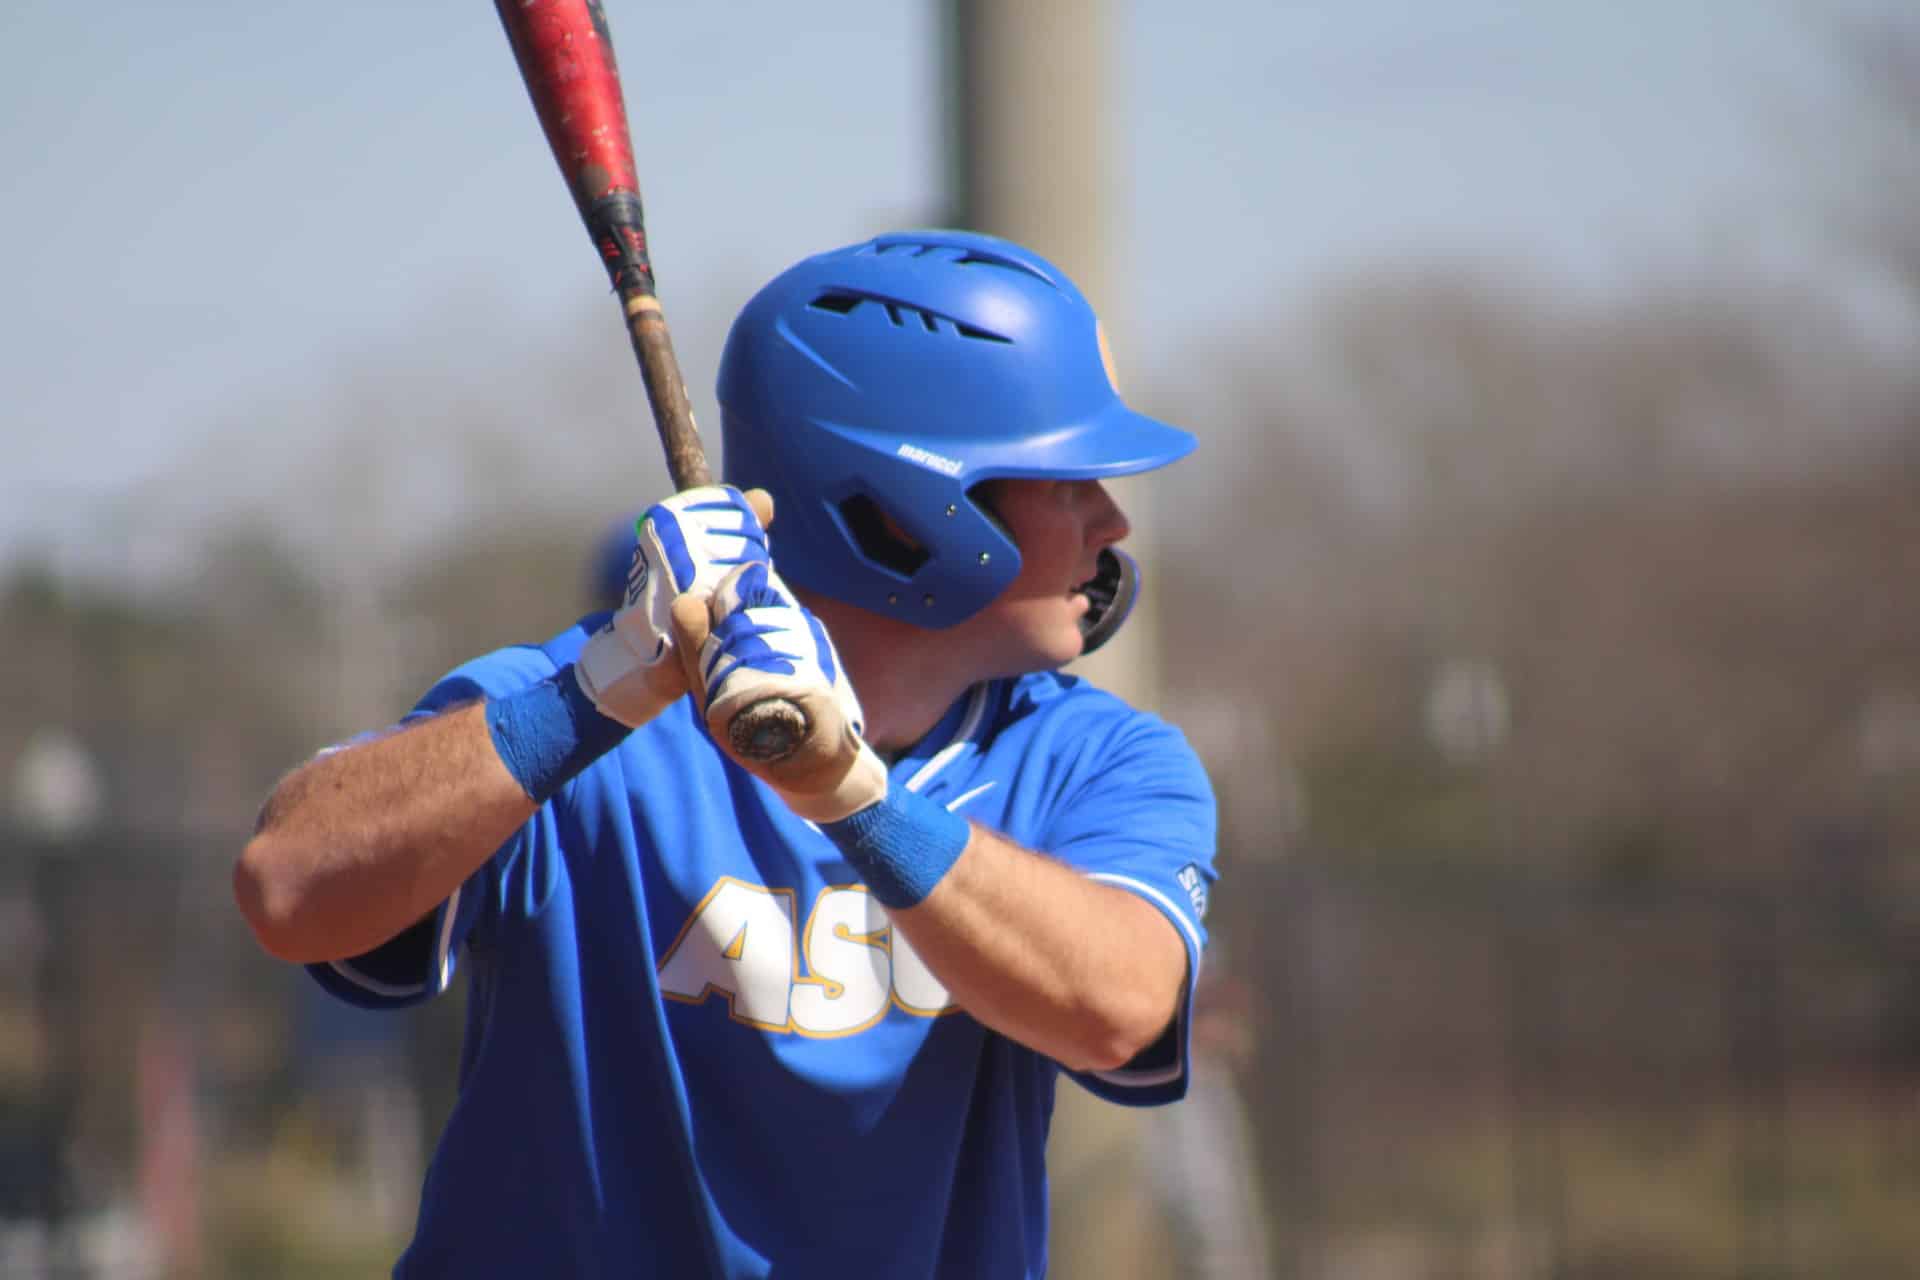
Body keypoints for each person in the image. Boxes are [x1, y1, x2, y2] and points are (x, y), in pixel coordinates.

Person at [234, 229, 1219, 1278]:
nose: (1111, 519)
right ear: (907, 511)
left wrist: (852, 797)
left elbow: (1124, 1006)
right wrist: (600, 689)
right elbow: (287, 885)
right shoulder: (593, 716)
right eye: (1066, 484)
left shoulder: (1095, 757)